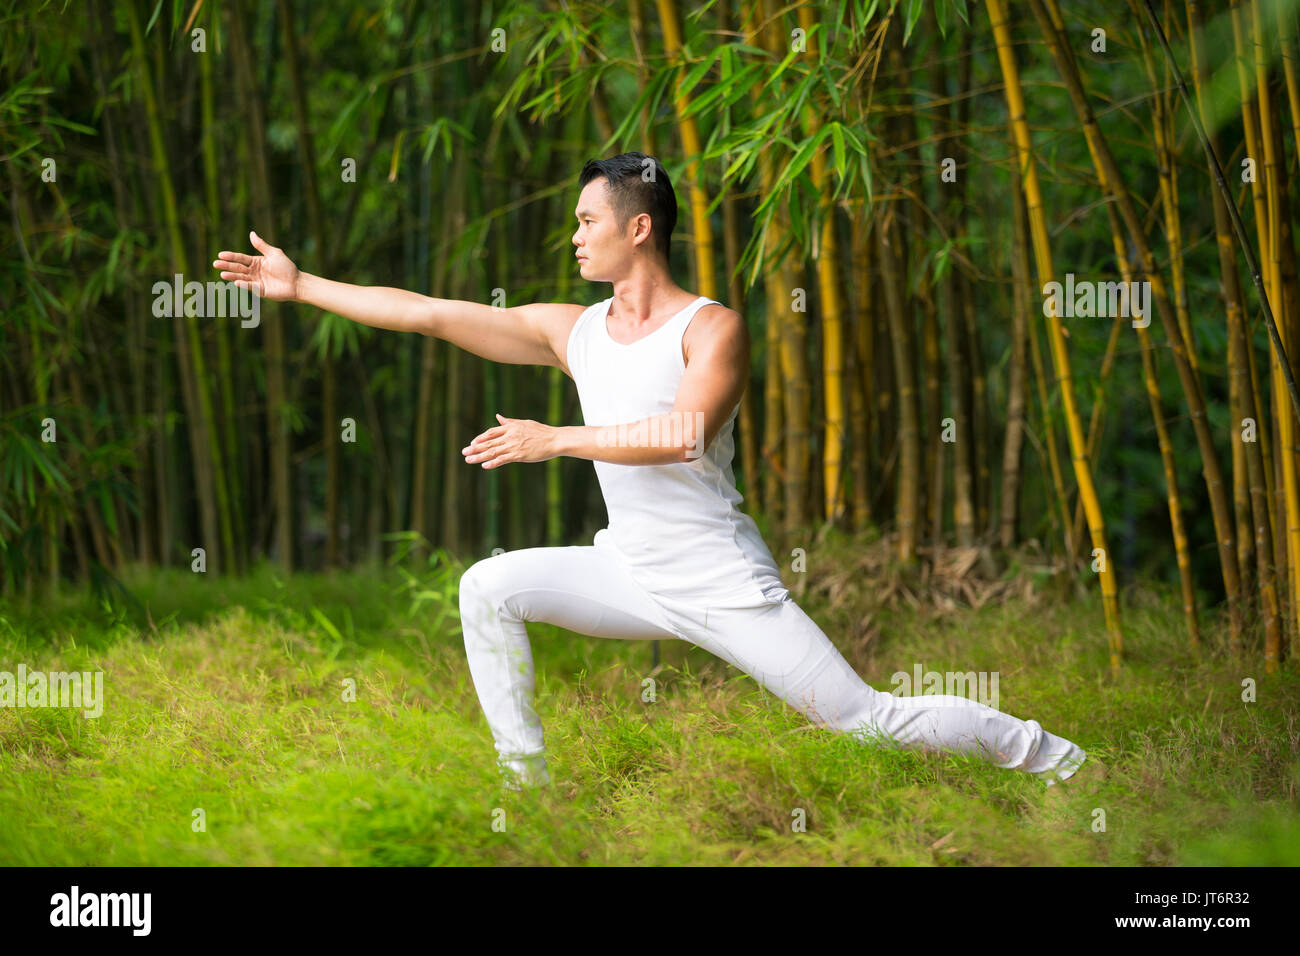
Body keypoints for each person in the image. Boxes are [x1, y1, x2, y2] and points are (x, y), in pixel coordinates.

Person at [213, 151, 1087, 792]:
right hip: (628, 569)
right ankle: (529, 789)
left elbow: (685, 433)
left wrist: (558, 438)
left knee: (866, 723)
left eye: (587, 221)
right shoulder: (575, 329)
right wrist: (305, 286)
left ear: (639, 228)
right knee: (488, 587)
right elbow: (432, 315)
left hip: (718, 579)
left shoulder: (713, 329)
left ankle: (1057, 761)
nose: (574, 236)